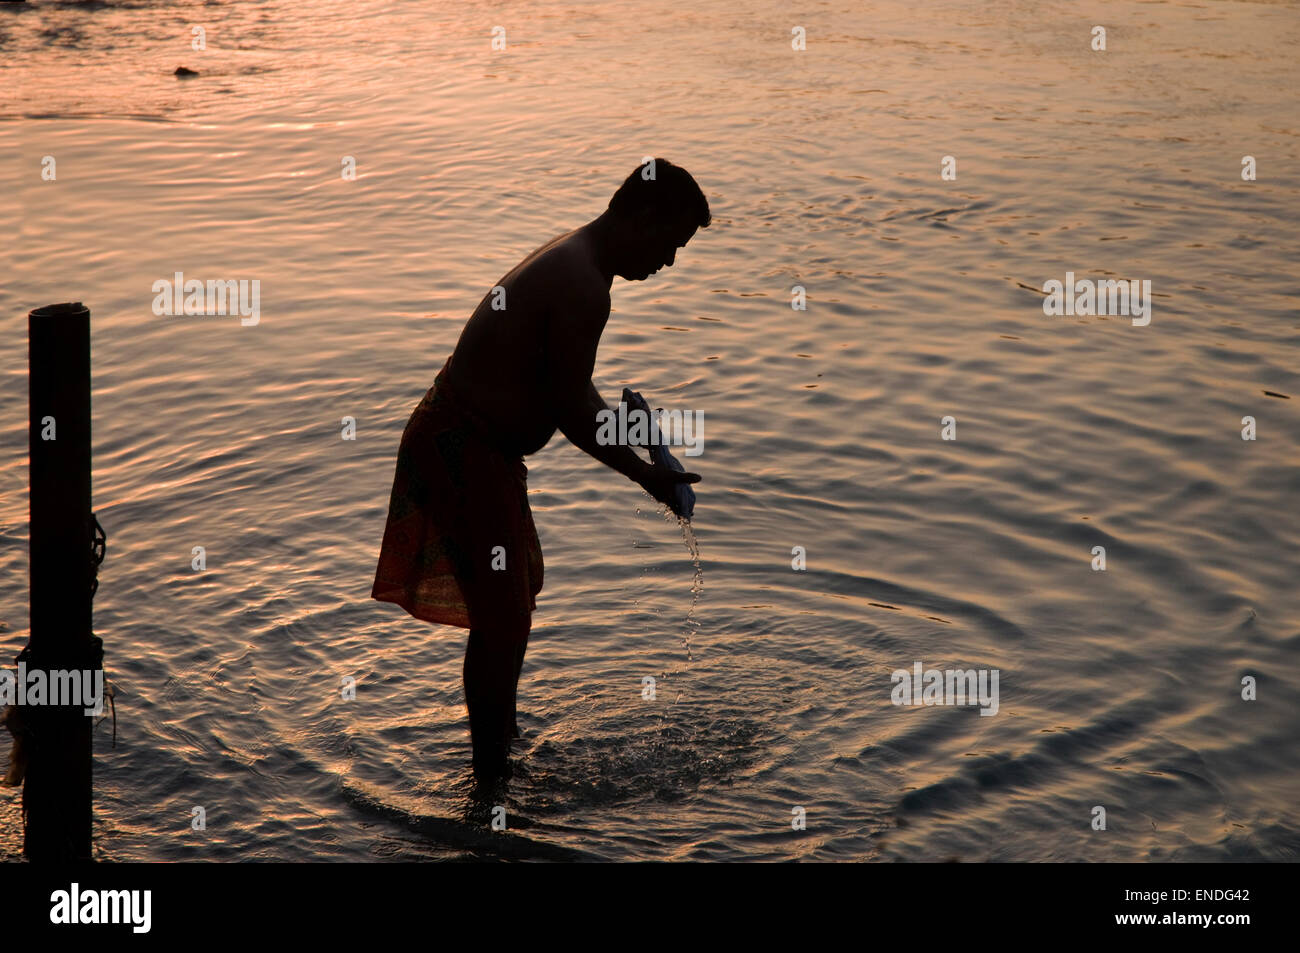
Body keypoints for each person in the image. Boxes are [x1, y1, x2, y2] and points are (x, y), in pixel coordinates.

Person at [372, 159, 709, 780]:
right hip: (463, 446)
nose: (669, 262)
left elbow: (570, 392)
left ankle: (498, 750)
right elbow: (569, 410)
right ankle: (490, 782)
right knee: (502, 624)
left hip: (474, 446)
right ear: (643, 216)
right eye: (671, 243)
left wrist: (634, 433)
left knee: (508, 612)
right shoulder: (584, 283)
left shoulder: (580, 263)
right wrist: (647, 476)